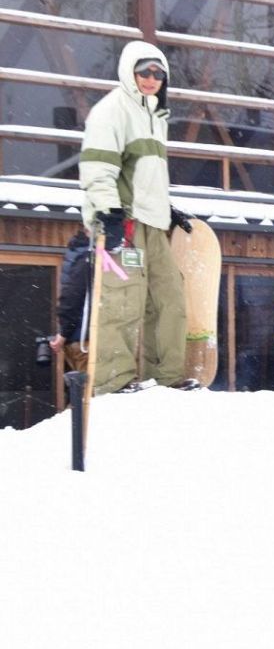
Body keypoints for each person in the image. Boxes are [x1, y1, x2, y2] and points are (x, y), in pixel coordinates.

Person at [79, 39, 197, 393]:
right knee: (122, 298)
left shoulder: (155, 116)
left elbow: (147, 176)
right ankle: (111, 381)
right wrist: (107, 212)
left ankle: (166, 377)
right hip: (123, 220)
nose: (150, 78)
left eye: (158, 73)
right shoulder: (111, 110)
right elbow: (98, 167)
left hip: (152, 222)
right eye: (143, 71)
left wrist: (166, 209)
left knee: (169, 298)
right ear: (129, 72)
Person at [48, 229, 92, 372]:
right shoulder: (86, 257)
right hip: (85, 340)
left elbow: (71, 295)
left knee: (84, 388)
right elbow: (73, 296)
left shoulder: (77, 254)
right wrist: (64, 333)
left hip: (79, 338)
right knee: (93, 389)